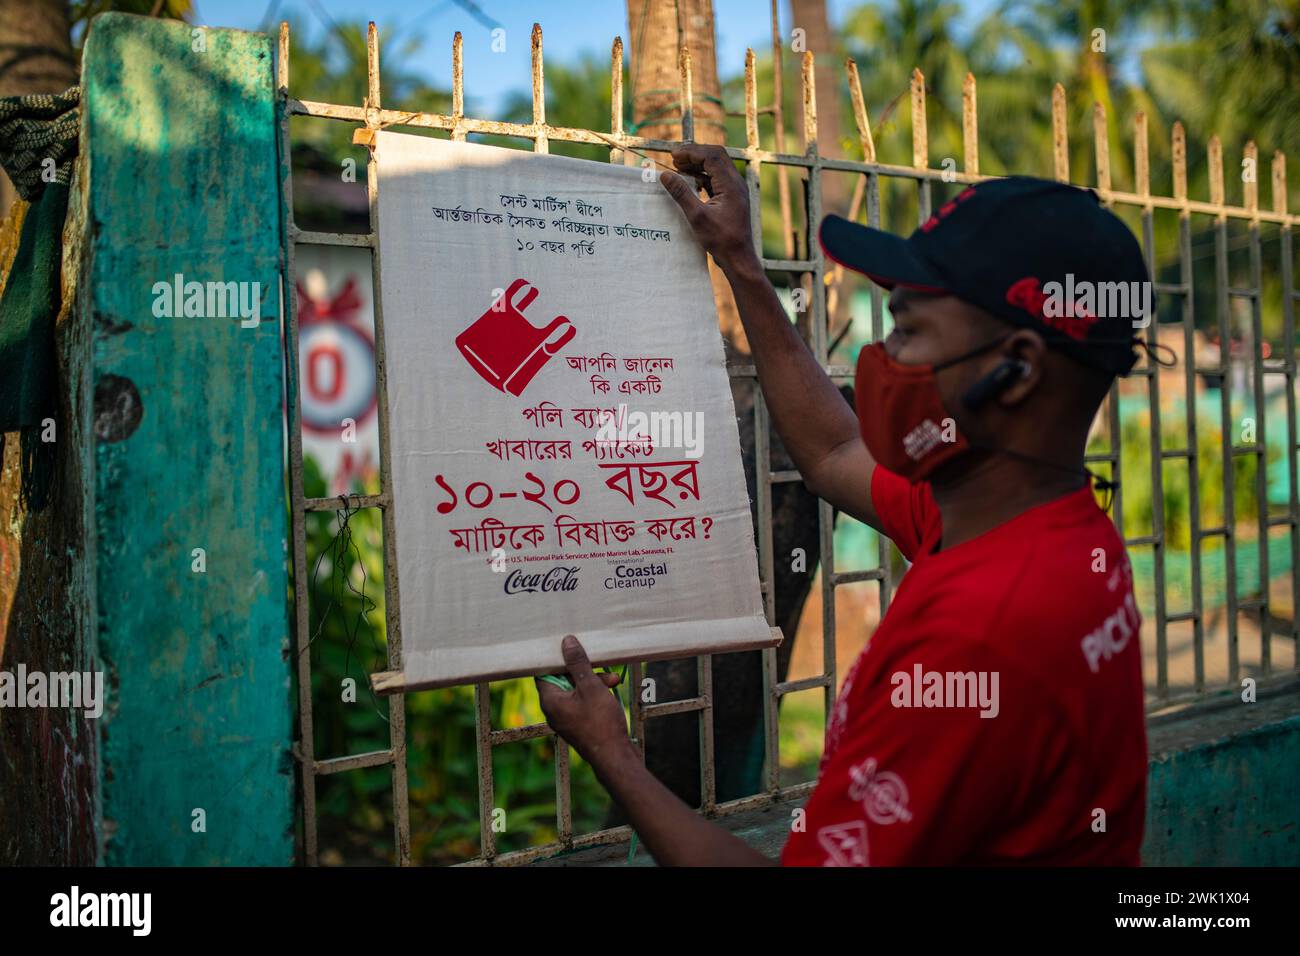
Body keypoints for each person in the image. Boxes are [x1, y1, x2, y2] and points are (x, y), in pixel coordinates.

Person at [535, 144, 1154, 866]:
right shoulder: (1035, 526)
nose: (881, 358)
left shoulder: (977, 638)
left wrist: (612, 753)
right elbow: (833, 452)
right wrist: (741, 264)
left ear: (1015, 370)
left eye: (910, 329)